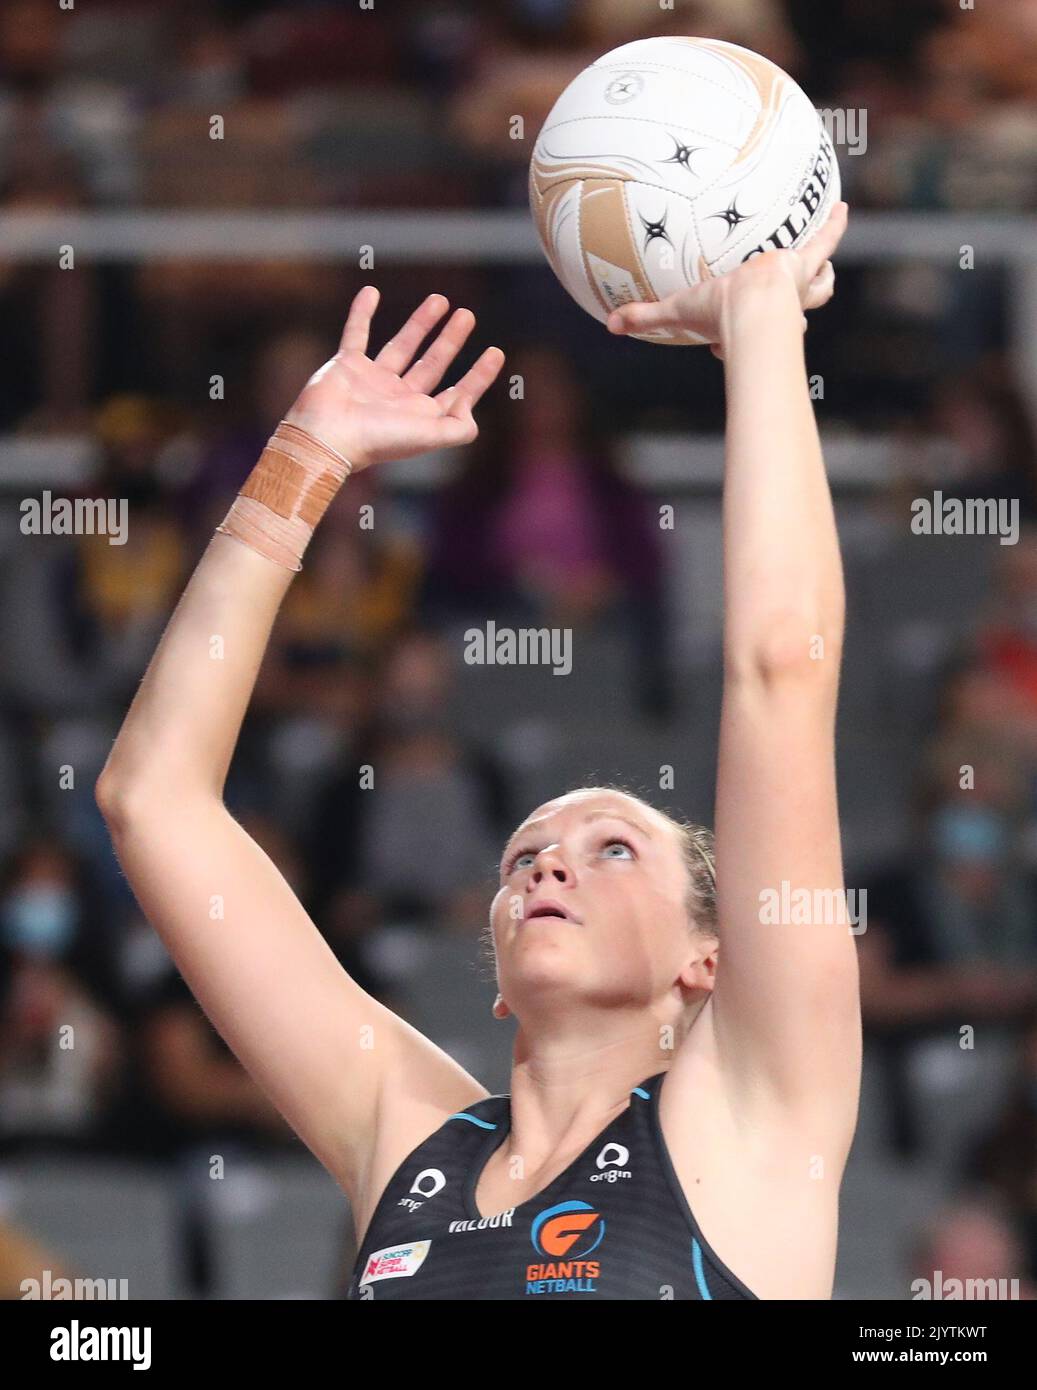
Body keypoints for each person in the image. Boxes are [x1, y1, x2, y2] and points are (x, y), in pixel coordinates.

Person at [97, 203, 860, 1300]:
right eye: (521, 857)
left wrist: (759, 328)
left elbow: (782, 666)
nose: (546, 864)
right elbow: (151, 802)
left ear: (707, 958)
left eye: (610, 848)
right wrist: (306, 456)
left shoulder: (753, 1106)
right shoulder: (406, 1138)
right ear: (498, 983)